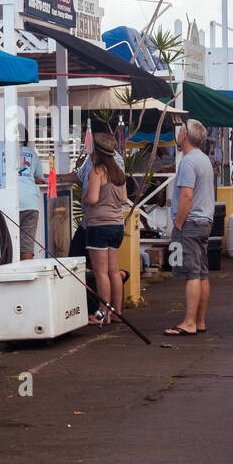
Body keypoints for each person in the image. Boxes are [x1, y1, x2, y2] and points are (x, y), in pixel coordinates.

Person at [165, 120, 215, 336]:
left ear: (185, 135)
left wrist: (178, 223)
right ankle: (199, 320)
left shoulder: (187, 162)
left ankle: (189, 322)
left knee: (191, 274)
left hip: (191, 223)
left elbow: (186, 195)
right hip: (204, 221)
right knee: (202, 273)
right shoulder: (203, 159)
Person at [83, 133, 127, 325]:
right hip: (117, 225)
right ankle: (117, 312)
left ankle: (103, 313)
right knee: (114, 271)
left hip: (99, 225)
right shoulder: (118, 172)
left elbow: (92, 199)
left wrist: (84, 196)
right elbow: (124, 199)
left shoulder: (97, 171)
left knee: (101, 272)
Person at [0, 133, 46, 259]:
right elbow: (40, 178)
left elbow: (2, 178)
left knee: (8, 245)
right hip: (30, 203)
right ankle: (26, 276)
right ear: (26, 140)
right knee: (26, 246)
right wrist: (31, 178)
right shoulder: (32, 154)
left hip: (8, 203)